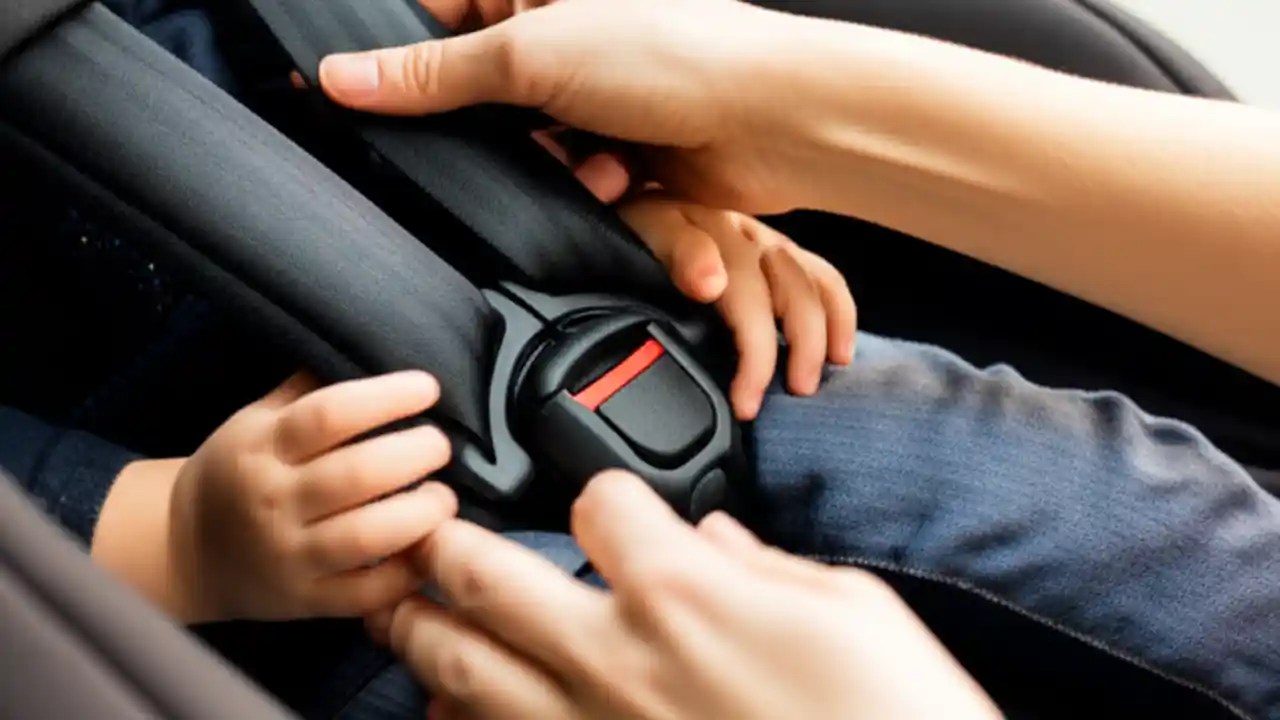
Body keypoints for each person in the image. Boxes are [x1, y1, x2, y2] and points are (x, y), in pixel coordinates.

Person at [1, 1, 1277, 719]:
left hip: (530, 286)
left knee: (1056, 484)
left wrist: (587, 213)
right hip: (270, 547)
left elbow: (390, 68)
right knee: (482, 651)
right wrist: (161, 538)